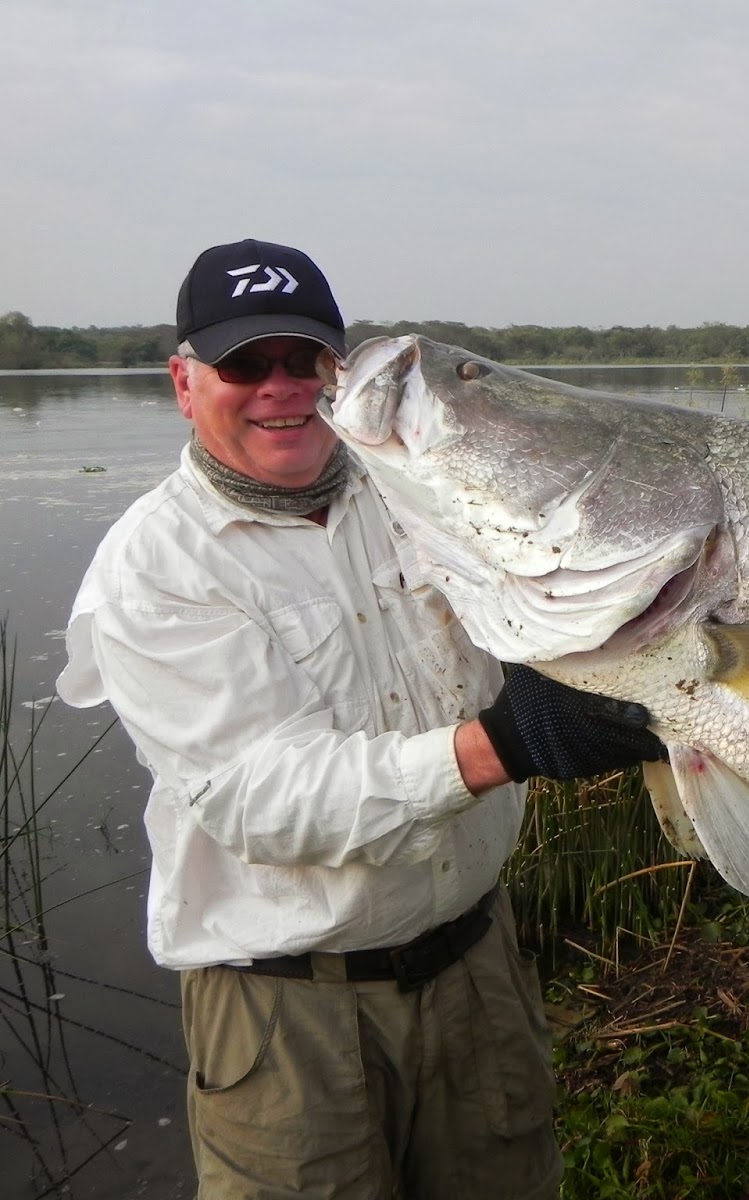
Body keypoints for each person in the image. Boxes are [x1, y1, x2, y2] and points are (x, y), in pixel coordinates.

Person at [56, 239, 664, 1199]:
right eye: (244, 365)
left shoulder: (424, 491)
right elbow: (261, 799)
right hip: (284, 1015)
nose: (280, 388)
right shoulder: (155, 568)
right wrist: (502, 745)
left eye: (305, 360)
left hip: (477, 967)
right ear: (183, 382)